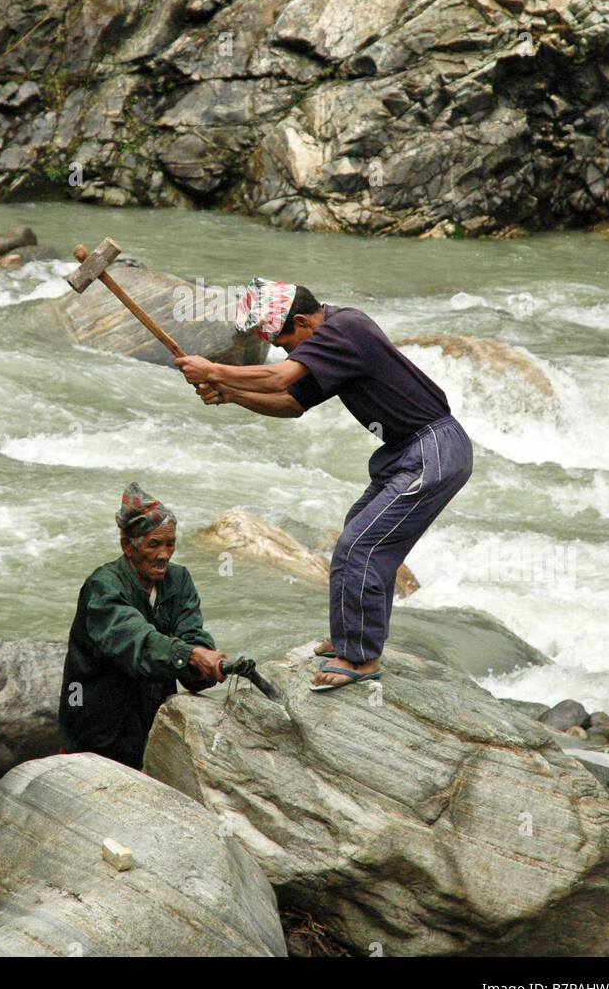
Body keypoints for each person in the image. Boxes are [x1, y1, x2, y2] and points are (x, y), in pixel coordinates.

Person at [175, 277, 473, 692]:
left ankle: (361, 658)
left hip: (433, 448)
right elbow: (292, 404)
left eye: (283, 341)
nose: (284, 350)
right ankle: (353, 634)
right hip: (408, 451)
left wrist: (214, 370)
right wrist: (229, 394)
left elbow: (279, 379)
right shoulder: (330, 342)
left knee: (363, 545)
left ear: (301, 321)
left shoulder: (343, 328)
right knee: (356, 537)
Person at [58, 483, 226, 767]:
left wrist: (204, 665)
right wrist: (192, 655)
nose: (164, 554)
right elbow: (138, 643)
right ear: (127, 546)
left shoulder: (179, 581)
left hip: (150, 725)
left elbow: (192, 635)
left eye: (170, 544)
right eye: (154, 544)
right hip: (96, 728)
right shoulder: (103, 587)